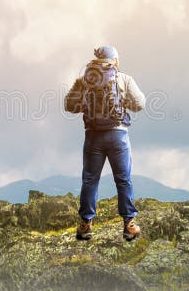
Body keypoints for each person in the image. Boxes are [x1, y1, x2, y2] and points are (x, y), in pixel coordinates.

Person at [64, 45, 146, 241]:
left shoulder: (85, 80)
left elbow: (69, 106)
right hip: (118, 135)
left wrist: (83, 98)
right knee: (123, 179)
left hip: (93, 136)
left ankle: (85, 225)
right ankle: (129, 225)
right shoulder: (124, 78)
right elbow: (140, 104)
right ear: (114, 61)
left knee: (90, 180)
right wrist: (124, 102)